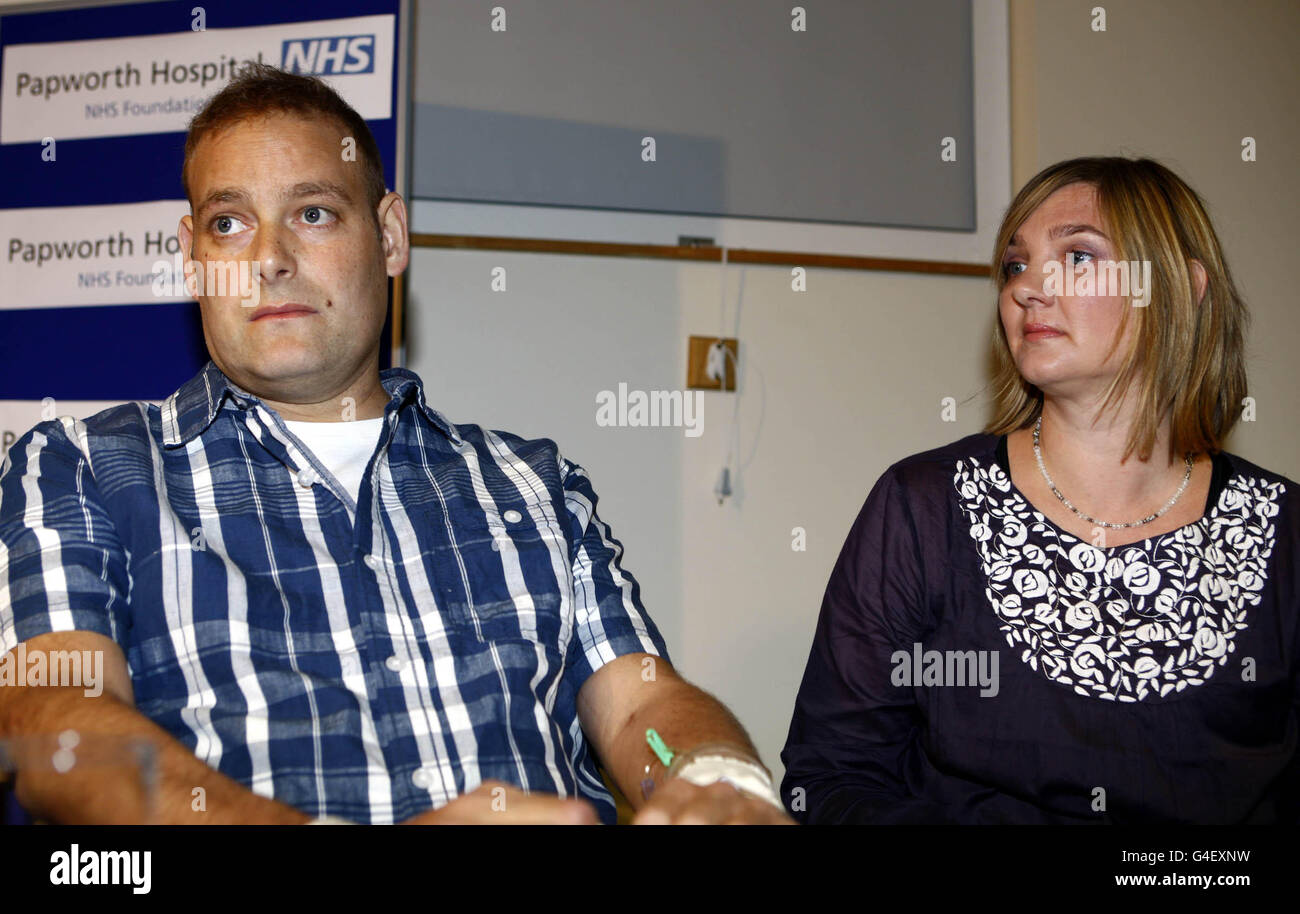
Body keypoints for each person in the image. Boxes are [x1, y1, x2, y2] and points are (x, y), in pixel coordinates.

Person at [0, 64, 791, 826]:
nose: (268, 260)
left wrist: (713, 782)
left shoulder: (532, 484)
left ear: (389, 235)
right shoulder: (84, 468)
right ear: (196, 260)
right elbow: (57, 726)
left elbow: (643, 709)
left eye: (312, 213)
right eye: (229, 223)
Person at [780, 157, 1298, 824]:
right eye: (1015, 265)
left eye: (1078, 256)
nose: (1027, 288)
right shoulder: (925, 507)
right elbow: (830, 777)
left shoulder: (1285, 535)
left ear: (1181, 287)